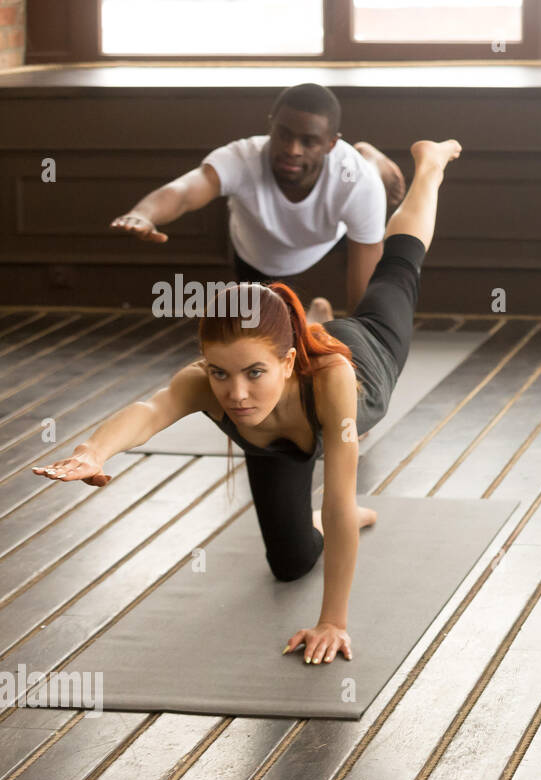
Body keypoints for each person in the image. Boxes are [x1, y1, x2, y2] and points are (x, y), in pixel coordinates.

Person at [35, 138, 463, 667]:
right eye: (219, 373)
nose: (234, 395)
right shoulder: (205, 383)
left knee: (398, 272)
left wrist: (332, 621)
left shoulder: (331, 378)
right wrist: (92, 452)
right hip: (279, 425)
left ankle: (429, 166)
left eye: (253, 373)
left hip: (361, 355)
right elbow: (150, 412)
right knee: (290, 563)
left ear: (286, 363)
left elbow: (337, 496)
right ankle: (307, 322)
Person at [109, 83, 406, 324]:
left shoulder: (357, 183)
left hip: (332, 235)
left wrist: (359, 344)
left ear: (330, 144)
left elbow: (364, 293)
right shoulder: (242, 158)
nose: (292, 150)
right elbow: (185, 191)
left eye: (308, 142)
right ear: (271, 127)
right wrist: (144, 213)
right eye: (284, 135)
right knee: (269, 336)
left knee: (367, 185)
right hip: (258, 255)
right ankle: (314, 319)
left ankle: (371, 160)